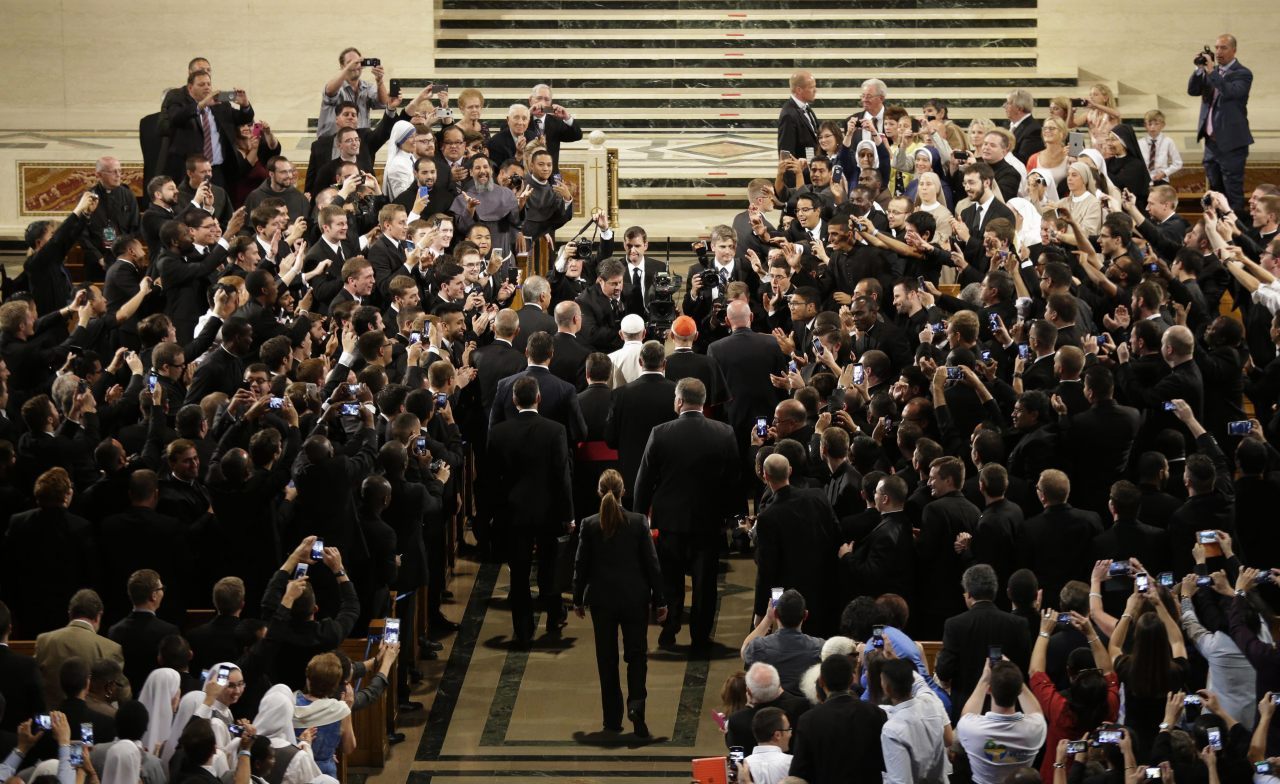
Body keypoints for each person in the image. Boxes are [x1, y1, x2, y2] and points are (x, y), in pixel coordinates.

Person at [632, 378, 738, 651]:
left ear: (679, 401)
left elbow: (643, 481)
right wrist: (730, 516)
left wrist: (639, 516)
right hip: (709, 521)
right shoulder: (724, 432)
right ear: (703, 402)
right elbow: (732, 481)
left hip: (670, 520)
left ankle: (670, 629)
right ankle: (700, 636)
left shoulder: (661, 432)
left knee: (670, 578)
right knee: (705, 582)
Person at [571, 469, 666, 738]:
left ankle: (612, 719)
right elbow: (652, 565)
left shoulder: (589, 524)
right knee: (637, 656)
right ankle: (637, 707)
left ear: (599, 492)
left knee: (607, 658)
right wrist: (660, 600)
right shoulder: (638, 523)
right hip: (635, 598)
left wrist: (577, 598)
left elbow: (581, 565)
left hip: (602, 601)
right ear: (624, 492)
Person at [488, 376, 574, 647]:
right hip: (547, 511)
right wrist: (568, 514)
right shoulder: (555, 430)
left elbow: (491, 480)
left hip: (513, 514)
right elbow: (562, 476)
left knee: (520, 572)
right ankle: (553, 615)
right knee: (549, 567)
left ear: (514, 401)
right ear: (539, 399)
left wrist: (493, 513)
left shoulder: (498, 433)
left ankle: (523, 629)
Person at [752, 456, 841, 637]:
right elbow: (837, 534)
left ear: (765, 476)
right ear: (790, 471)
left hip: (791, 597)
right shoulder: (818, 495)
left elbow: (767, 569)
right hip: (826, 585)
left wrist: (761, 612)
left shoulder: (768, 517)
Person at [1028, 607, 1118, 780]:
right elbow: (1109, 672)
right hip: (1101, 777)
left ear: (1070, 674)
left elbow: (1035, 672)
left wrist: (1044, 632)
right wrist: (1091, 634)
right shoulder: (1111, 703)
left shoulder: (1060, 709)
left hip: (1058, 776)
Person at [934, 565, 1033, 722]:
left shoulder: (955, 625)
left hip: (969, 712)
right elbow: (1026, 668)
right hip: (1010, 711)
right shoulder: (1018, 624)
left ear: (969, 594)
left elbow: (944, 671)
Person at [788, 654, 886, 784]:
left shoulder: (808, 720)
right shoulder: (876, 713)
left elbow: (799, 773)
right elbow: (886, 761)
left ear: (821, 681)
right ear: (852, 680)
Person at [1188, 34, 1253, 215]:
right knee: (1215, 191)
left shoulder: (1243, 73)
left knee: (1233, 194)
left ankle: (1237, 235)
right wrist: (1198, 69)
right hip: (1211, 143)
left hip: (1232, 144)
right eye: (1216, 48)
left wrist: (1211, 72)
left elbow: (1230, 92)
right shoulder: (1211, 72)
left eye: (1223, 48)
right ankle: (1218, 232)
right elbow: (1192, 90)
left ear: (1234, 50)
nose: (1218, 52)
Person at [740, 589, 824, 696]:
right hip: (805, 710)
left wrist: (768, 618)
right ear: (805, 615)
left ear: (775, 613)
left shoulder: (759, 647)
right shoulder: (820, 647)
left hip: (769, 709)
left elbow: (744, 650)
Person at [879, 657, 948, 784]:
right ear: (912, 681)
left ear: (887, 689)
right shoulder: (932, 705)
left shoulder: (892, 730)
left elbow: (901, 782)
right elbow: (921, 683)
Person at [743, 707, 794, 784]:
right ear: (777, 735)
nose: (791, 734)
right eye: (788, 729)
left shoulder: (742, 767)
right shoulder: (791, 763)